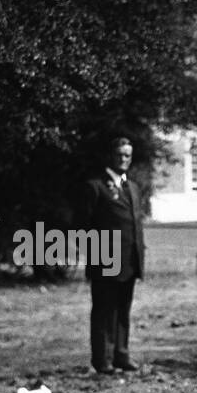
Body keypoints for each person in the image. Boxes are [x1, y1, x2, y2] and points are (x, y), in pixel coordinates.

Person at [75, 136, 145, 375]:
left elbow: (135, 225)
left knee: (123, 310)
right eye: (120, 155)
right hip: (106, 262)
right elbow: (82, 226)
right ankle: (102, 358)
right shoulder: (95, 187)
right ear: (110, 156)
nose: (124, 159)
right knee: (104, 311)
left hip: (129, 261)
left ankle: (121, 354)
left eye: (128, 155)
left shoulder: (132, 188)